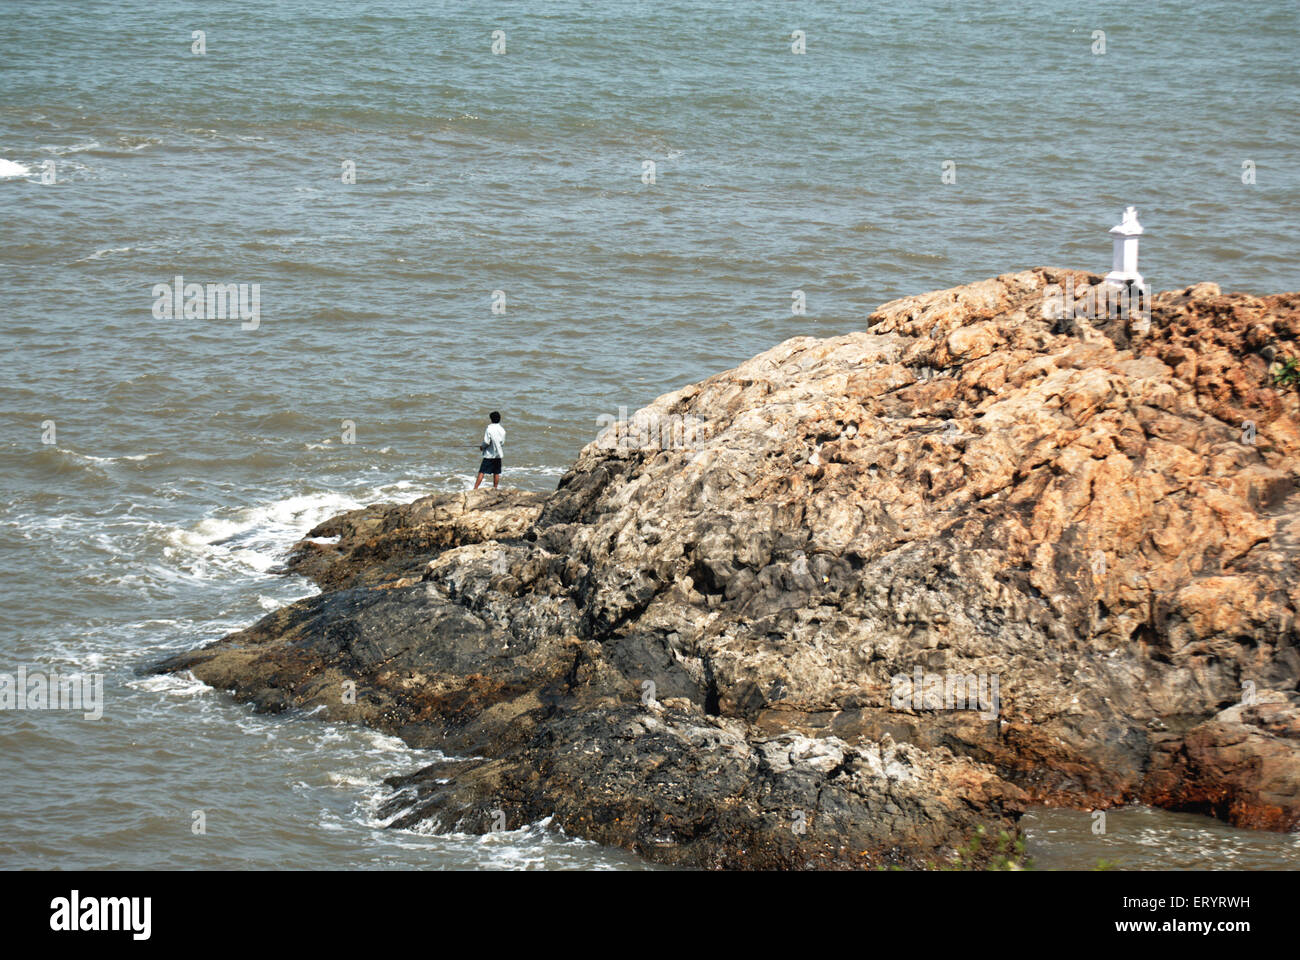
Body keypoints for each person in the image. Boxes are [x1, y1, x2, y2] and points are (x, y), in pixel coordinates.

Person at [474, 411, 505, 489]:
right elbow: (502, 443)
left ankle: (475, 488)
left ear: (491, 419)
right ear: (499, 419)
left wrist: (482, 447)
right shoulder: (502, 430)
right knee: (496, 472)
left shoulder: (489, 428)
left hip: (489, 455)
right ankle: (495, 488)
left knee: (482, 472)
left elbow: (487, 442)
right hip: (498, 454)